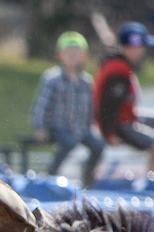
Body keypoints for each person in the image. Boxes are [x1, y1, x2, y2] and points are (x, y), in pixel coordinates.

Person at [94, 21, 154, 178]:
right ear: (132, 46)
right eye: (141, 47)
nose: (143, 51)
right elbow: (107, 105)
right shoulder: (118, 69)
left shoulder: (122, 64)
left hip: (130, 117)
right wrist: (109, 133)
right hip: (121, 126)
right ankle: (147, 183)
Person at [32, 31, 105, 185]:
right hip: (58, 127)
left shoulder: (87, 82)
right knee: (69, 142)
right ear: (60, 55)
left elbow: (91, 109)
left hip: (80, 128)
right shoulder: (52, 79)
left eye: (77, 53)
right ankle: (51, 173)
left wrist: (91, 126)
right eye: (69, 53)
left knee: (98, 145)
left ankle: (88, 177)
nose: (74, 57)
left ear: (85, 56)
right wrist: (40, 127)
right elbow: (42, 105)